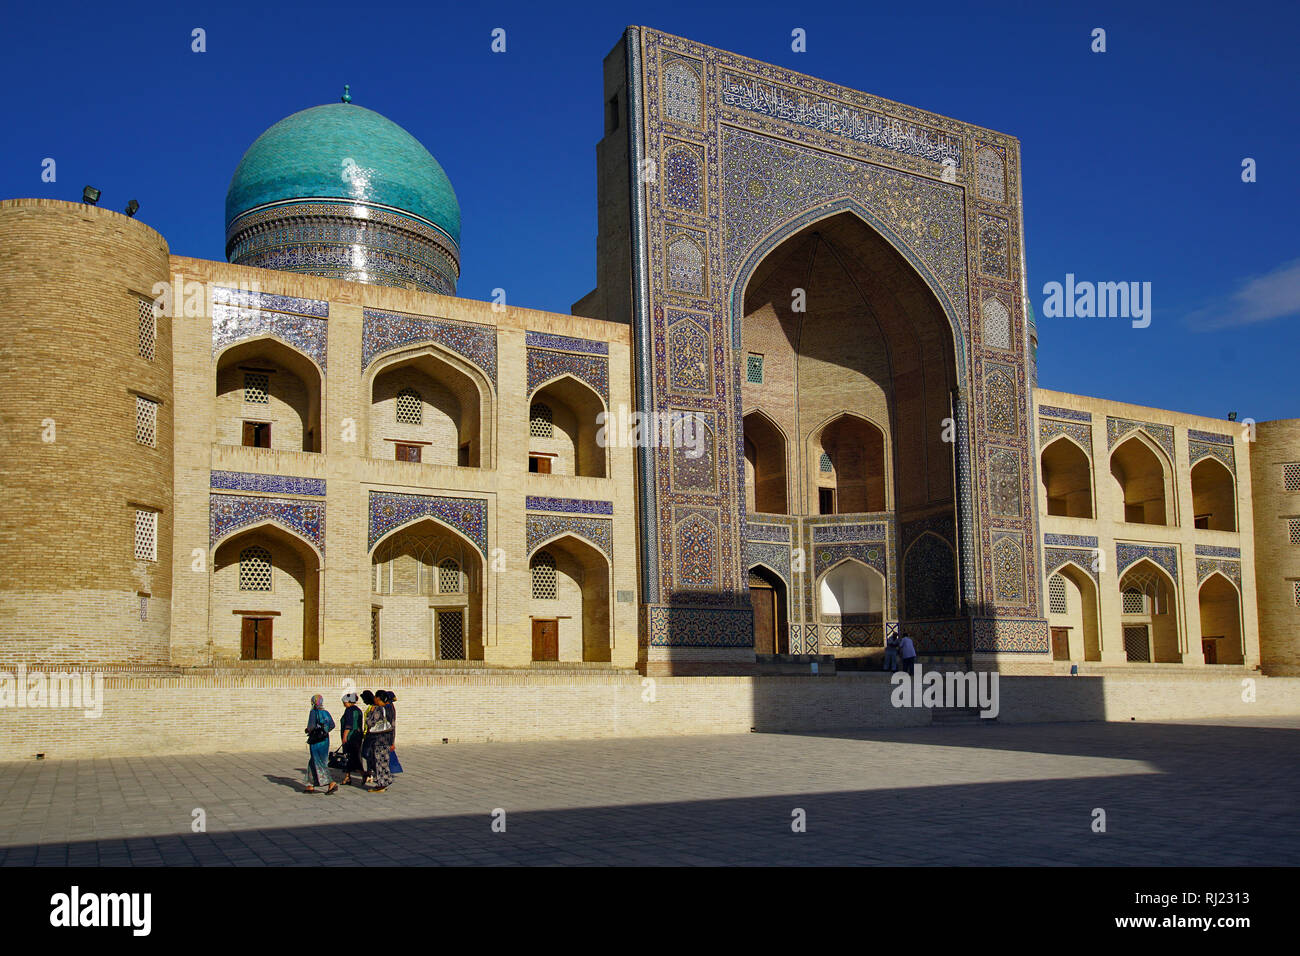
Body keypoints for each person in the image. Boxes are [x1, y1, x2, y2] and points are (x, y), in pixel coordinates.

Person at [303, 694, 337, 794]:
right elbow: (332, 725)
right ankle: (310, 784)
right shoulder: (326, 712)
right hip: (325, 740)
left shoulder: (313, 712)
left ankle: (331, 783)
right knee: (313, 761)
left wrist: (308, 730)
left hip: (316, 741)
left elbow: (311, 726)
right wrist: (324, 731)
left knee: (318, 761)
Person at [365, 691, 394, 793]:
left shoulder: (377, 709)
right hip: (387, 738)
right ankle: (386, 781)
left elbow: (370, 722)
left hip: (378, 739)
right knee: (385, 762)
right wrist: (392, 740)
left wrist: (370, 713)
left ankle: (381, 784)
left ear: (378, 698)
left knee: (379, 762)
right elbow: (393, 724)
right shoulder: (389, 708)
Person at [339, 692, 364, 785]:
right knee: (352, 756)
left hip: (350, 737)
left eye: (344, 702)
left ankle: (363, 774)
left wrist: (344, 737)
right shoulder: (358, 710)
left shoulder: (349, 710)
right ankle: (347, 777)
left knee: (351, 757)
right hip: (357, 736)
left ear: (349, 702)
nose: (343, 704)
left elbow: (348, 725)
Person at [359, 690, 377, 786]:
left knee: (367, 754)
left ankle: (374, 770)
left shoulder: (374, 708)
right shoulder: (370, 707)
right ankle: (370, 773)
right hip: (367, 734)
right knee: (368, 755)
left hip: (371, 735)